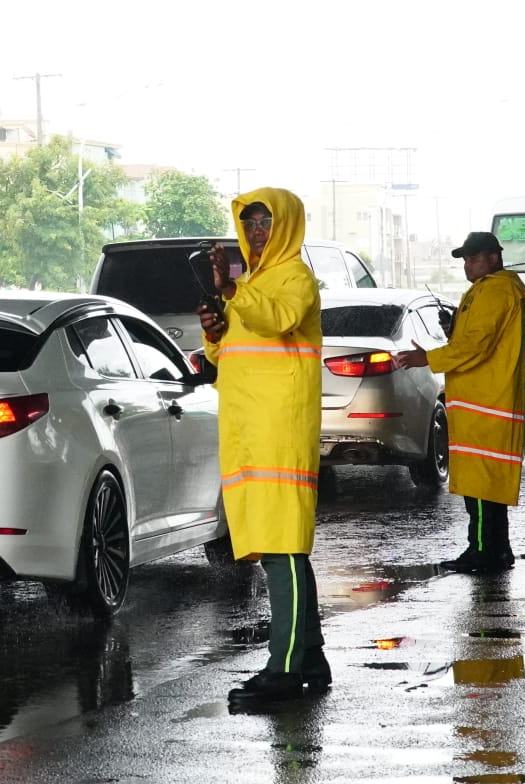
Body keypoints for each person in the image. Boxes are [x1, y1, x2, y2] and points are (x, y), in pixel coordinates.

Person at [195, 188, 329, 708]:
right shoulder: (249, 282)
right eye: (248, 222)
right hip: (249, 427)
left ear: (287, 226)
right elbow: (235, 349)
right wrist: (215, 332)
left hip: (279, 431)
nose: (255, 231)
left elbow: (277, 320)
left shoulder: (296, 276)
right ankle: (308, 659)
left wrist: (231, 290)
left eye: (265, 222)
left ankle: (285, 669)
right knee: (276, 545)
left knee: (282, 548)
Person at [396, 231, 525, 575]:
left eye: (472, 259)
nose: (467, 266)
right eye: (465, 260)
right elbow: (476, 340)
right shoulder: (489, 290)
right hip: (483, 402)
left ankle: (485, 552)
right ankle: (493, 549)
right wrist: (454, 329)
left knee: (483, 487)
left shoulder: (496, 291)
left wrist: (428, 356)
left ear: (493, 258)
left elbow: (476, 345)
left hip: (486, 403)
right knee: (482, 486)